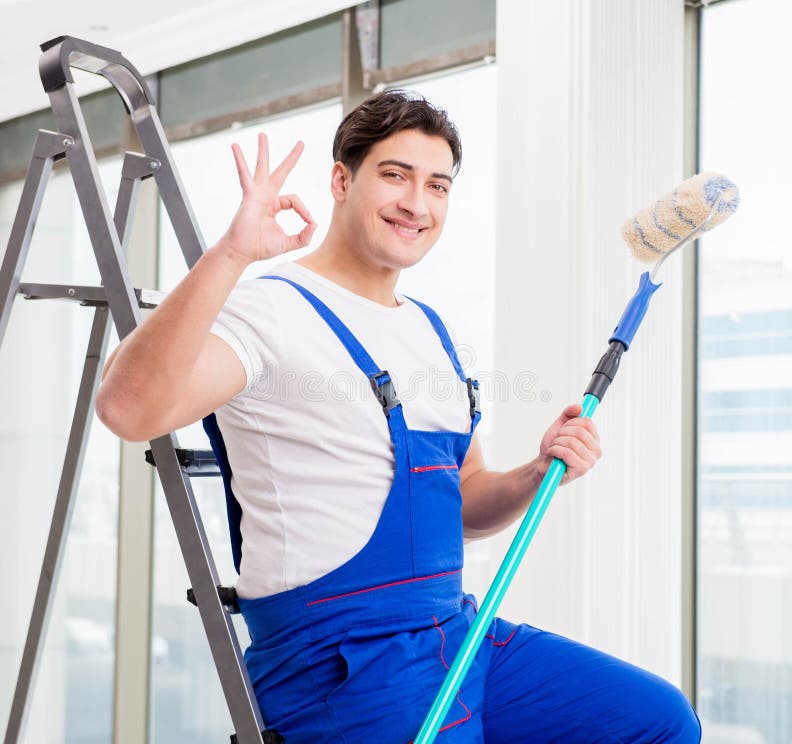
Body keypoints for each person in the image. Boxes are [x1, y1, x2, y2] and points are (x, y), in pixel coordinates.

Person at [96, 90, 701, 742]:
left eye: (437, 185)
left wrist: (537, 470)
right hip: (341, 660)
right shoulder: (269, 311)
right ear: (341, 180)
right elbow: (128, 410)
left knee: (659, 722)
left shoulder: (432, 331)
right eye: (395, 176)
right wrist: (232, 254)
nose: (418, 203)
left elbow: (465, 502)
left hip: (455, 634)